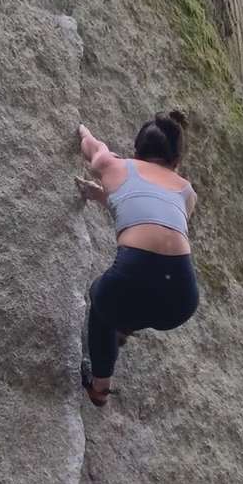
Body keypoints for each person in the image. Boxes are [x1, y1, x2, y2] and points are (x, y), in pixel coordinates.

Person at [76, 110, 199, 407]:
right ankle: (124, 326)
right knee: (135, 295)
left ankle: (99, 388)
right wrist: (103, 196)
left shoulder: (113, 165)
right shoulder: (186, 191)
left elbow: (89, 143)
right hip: (181, 300)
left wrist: (81, 127)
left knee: (101, 298)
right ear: (176, 162)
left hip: (130, 283)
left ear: (136, 150)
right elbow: (157, 215)